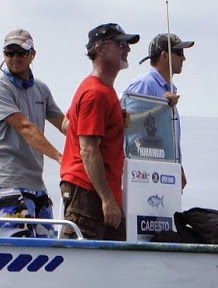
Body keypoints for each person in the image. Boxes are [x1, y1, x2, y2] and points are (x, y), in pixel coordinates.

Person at [59, 22, 139, 240]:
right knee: (78, 258)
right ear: (100, 48)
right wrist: (106, 199)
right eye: (121, 44)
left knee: (115, 260)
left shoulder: (104, 91)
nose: (127, 49)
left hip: (101, 191)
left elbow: (68, 124)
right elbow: (88, 149)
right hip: (88, 192)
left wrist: (111, 123)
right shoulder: (96, 93)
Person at [0, 28, 66, 236]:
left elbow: (64, 123)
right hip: (9, 183)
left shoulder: (41, 89)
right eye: (9, 53)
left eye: (21, 53)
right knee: (18, 245)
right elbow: (25, 128)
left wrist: (91, 137)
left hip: (37, 183)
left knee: (47, 246)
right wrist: (59, 157)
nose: (15, 58)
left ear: (32, 55)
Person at [124, 32, 194, 188]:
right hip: (145, 174)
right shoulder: (144, 84)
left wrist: (177, 165)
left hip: (163, 171)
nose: (184, 58)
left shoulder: (168, 88)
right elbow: (127, 124)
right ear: (165, 55)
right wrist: (161, 107)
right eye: (179, 53)